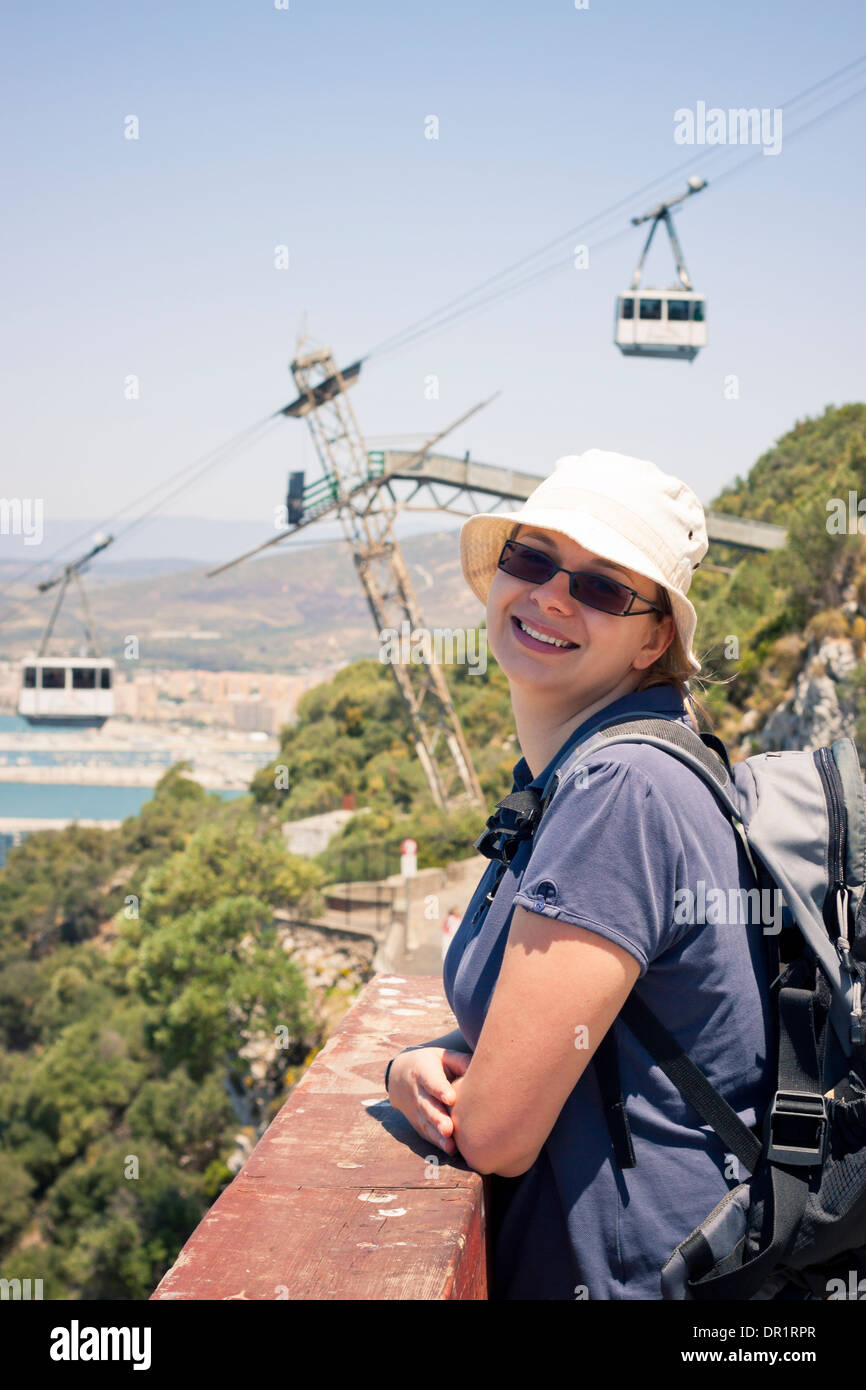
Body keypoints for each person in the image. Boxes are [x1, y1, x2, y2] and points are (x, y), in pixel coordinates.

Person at [384, 449, 774, 1300]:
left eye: (602, 587)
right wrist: (444, 1054)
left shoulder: (620, 790)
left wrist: (401, 1071)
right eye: (532, 559)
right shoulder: (599, 769)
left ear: (655, 638)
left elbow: (494, 1135)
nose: (553, 596)